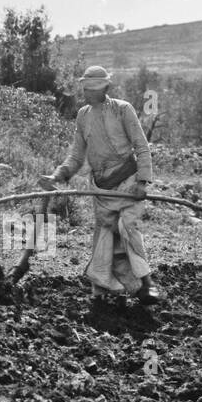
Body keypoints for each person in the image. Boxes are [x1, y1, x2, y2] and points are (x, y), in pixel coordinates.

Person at [40, 65, 160, 305]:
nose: (89, 93)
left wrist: (143, 181)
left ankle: (147, 283)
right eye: (86, 88)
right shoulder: (83, 115)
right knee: (105, 237)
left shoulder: (122, 109)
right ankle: (103, 290)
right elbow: (76, 156)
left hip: (127, 182)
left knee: (127, 227)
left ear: (106, 87)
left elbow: (141, 145)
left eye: (94, 88)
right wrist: (58, 176)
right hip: (101, 188)